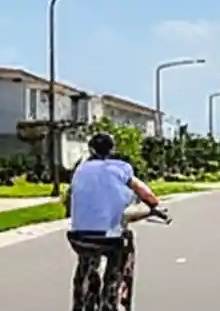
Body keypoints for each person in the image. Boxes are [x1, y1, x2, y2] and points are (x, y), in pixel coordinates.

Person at [66, 132, 161, 311]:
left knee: (86, 259)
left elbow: (72, 196)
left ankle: (81, 298)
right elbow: (148, 195)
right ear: (112, 149)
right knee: (121, 252)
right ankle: (114, 296)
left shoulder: (80, 169)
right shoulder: (121, 168)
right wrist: (153, 205)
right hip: (110, 238)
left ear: (90, 149)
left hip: (77, 237)